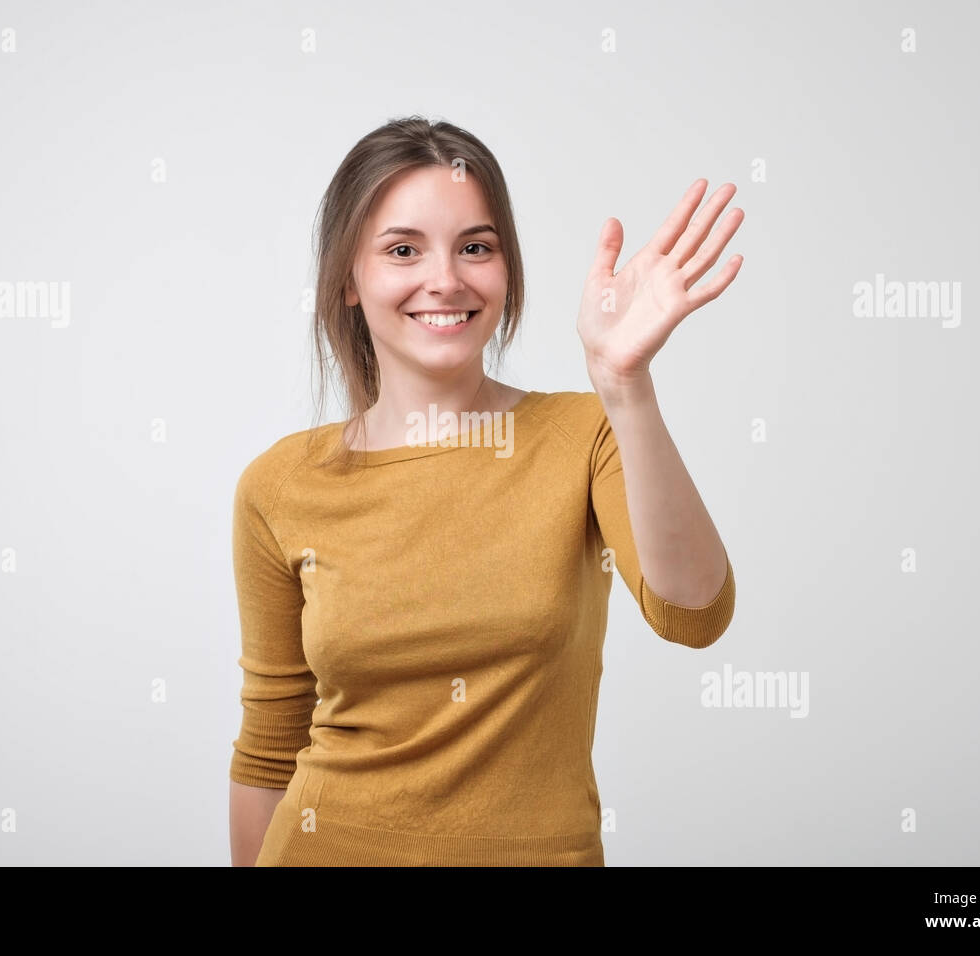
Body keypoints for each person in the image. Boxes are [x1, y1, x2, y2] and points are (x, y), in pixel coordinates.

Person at [228, 116, 744, 866]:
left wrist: (624, 384)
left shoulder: (582, 435)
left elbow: (694, 614)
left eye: (476, 247)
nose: (446, 278)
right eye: (404, 250)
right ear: (348, 278)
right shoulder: (278, 485)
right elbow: (270, 749)